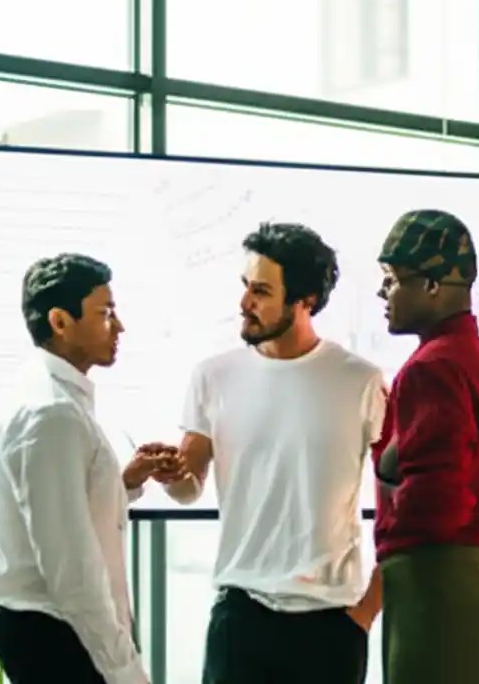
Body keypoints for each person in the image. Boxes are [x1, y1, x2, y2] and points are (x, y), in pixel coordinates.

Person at [160, 222, 387, 684]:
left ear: (305, 301)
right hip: (241, 617)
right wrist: (170, 475)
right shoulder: (213, 376)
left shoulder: (360, 381)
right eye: (246, 286)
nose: (244, 302)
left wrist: (366, 612)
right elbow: (187, 488)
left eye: (261, 291)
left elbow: (400, 504)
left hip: (331, 624)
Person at [0, 253, 176, 684]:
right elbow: (71, 569)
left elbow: (62, 509)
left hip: (57, 631)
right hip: (60, 636)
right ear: (60, 321)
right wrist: (125, 670)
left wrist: (123, 482)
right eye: (105, 313)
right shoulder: (52, 414)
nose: (119, 326)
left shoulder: (56, 398)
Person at [372, 209, 479, 684]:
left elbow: (435, 504)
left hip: (443, 597)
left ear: (432, 286)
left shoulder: (431, 368)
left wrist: (387, 473)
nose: (382, 293)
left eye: (392, 280)